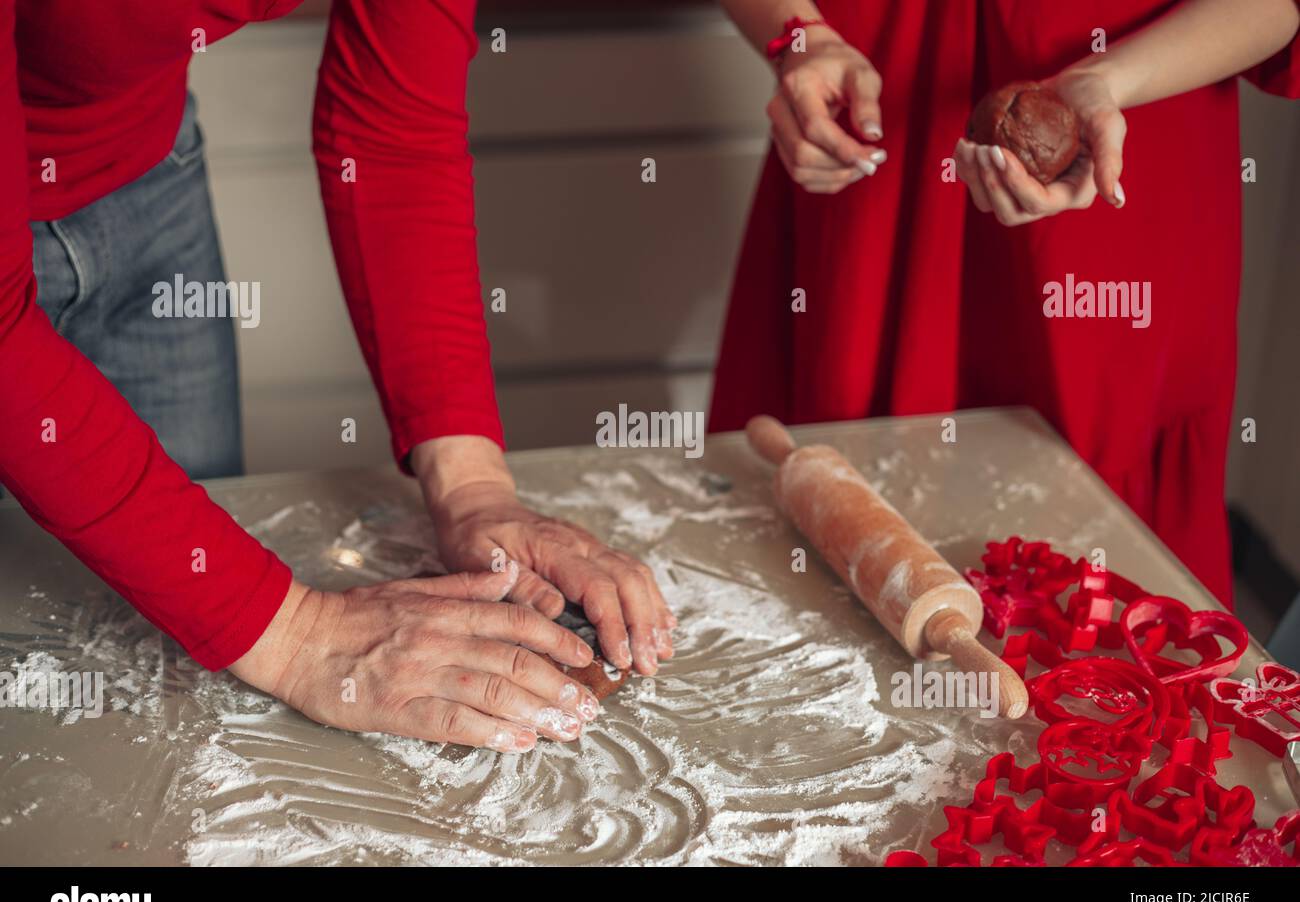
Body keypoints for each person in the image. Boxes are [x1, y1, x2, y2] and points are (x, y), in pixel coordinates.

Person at [0, 0, 673, 753]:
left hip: (143, 173)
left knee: (171, 674)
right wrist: (297, 637)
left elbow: (394, 136)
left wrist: (471, 486)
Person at [713, 0, 1300, 606]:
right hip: (870, 157)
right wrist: (799, 38)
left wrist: (1105, 81)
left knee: (1098, 614)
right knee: (831, 544)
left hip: (1117, 156)